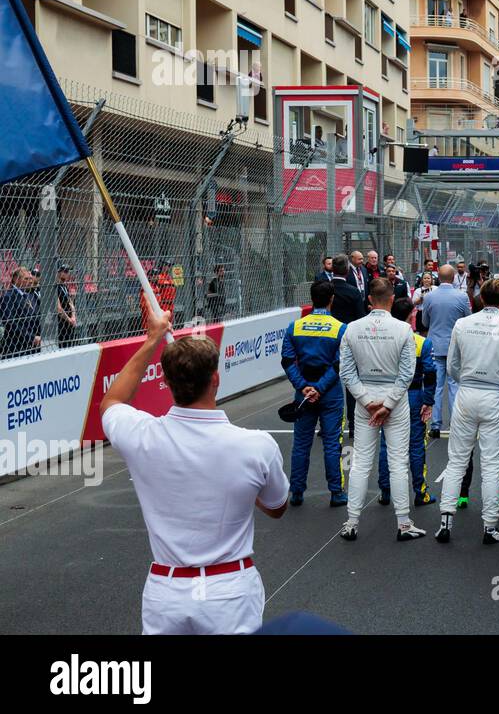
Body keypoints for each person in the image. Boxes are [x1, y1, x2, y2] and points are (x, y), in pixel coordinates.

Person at [101, 307, 288, 634]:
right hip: (230, 591)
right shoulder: (256, 446)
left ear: (166, 381)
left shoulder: (142, 435)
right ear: (215, 379)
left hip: (166, 591)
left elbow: (112, 401)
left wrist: (153, 339)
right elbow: (277, 507)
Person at [434, 278, 499, 544]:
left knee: (456, 461)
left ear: (480, 298)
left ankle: (445, 522)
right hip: (494, 394)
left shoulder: (463, 324)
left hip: (466, 393)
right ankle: (489, 526)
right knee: (491, 464)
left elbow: (452, 365)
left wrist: (466, 381)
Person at [338, 278, 423, 542]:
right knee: (398, 463)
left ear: (369, 300)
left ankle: (351, 522)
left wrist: (365, 400)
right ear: (391, 300)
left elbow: (346, 372)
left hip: (365, 400)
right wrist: (388, 404)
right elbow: (408, 372)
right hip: (394, 401)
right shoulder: (403, 330)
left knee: (360, 462)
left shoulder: (352, 329)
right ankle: (404, 523)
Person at [281, 280, 349, 508]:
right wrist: (320, 388)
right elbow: (340, 365)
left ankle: (297, 492)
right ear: (332, 299)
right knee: (332, 444)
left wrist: (304, 387)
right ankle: (337, 493)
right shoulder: (340, 328)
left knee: (301, 443)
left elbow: (288, 361)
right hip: (330, 393)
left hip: (303, 393)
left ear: (312, 298)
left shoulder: (294, 327)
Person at [376, 297, 439, 508]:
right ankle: (420, 492)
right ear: (411, 315)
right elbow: (430, 373)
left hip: (388, 395)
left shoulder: (383, 338)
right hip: (413, 396)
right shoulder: (421, 342)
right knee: (416, 445)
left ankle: (385, 491)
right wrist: (428, 400)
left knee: (387, 443)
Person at [420, 264, 471, 436]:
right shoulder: (461, 297)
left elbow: (425, 323)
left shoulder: (429, 297)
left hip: (434, 343)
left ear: (437, 278)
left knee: (436, 385)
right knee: (454, 385)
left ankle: (435, 425)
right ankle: (455, 422)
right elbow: (467, 320)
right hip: (455, 345)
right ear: (453, 277)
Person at [328, 253, 367, 437]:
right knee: (352, 382)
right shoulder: (352, 291)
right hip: (349, 339)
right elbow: (360, 318)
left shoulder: (325, 289)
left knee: (329, 379)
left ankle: (329, 423)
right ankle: (353, 424)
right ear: (346, 270)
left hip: (328, 340)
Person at [0, 267, 41, 357]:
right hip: (16, 347)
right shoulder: (8, 297)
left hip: (34, 345)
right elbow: (10, 323)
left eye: (30, 278)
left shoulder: (31, 294)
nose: (30, 281)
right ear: (16, 279)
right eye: (26, 279)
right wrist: (31, 338)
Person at [55, 264, 77, 347]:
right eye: (66, 271)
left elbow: (70, 302)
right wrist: (69, 319)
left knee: (71, 343)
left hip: (69, 320)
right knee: (63, 344)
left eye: (68, 271)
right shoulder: (55, 287)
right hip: (61, 322)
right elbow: (58, 308)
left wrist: (73, 317)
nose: (68, 274)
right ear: (59, 272)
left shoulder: (64, 286)